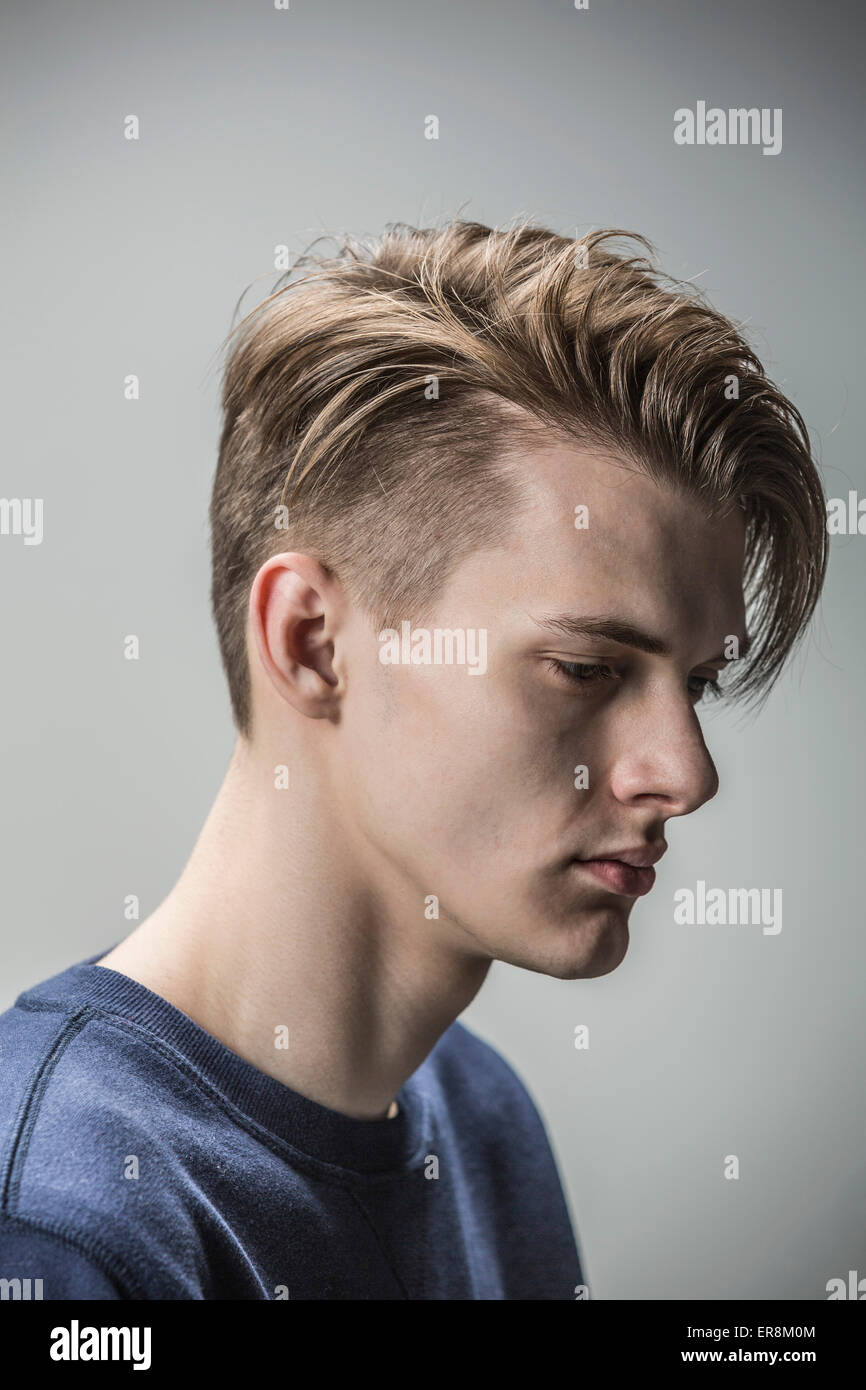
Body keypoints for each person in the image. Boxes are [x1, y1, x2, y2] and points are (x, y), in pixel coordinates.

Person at [0, 220, 827, 1299]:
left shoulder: (480, 1121)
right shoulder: (63, 1225)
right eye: (584, 668)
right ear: (310, 641)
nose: (684, 771)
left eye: (699, 683)